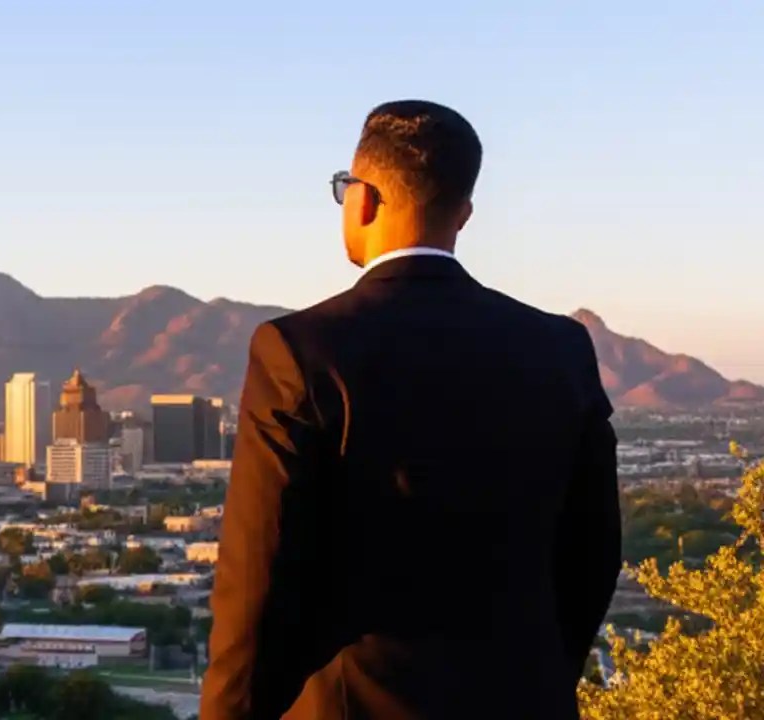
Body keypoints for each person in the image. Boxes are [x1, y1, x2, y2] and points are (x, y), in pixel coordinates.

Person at [200, 100, 621, 720]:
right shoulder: (558, 347)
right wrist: (541, 678)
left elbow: (256, 582)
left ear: (362, 199)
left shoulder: (302, 351)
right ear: (464, 215)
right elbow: (593, 552)